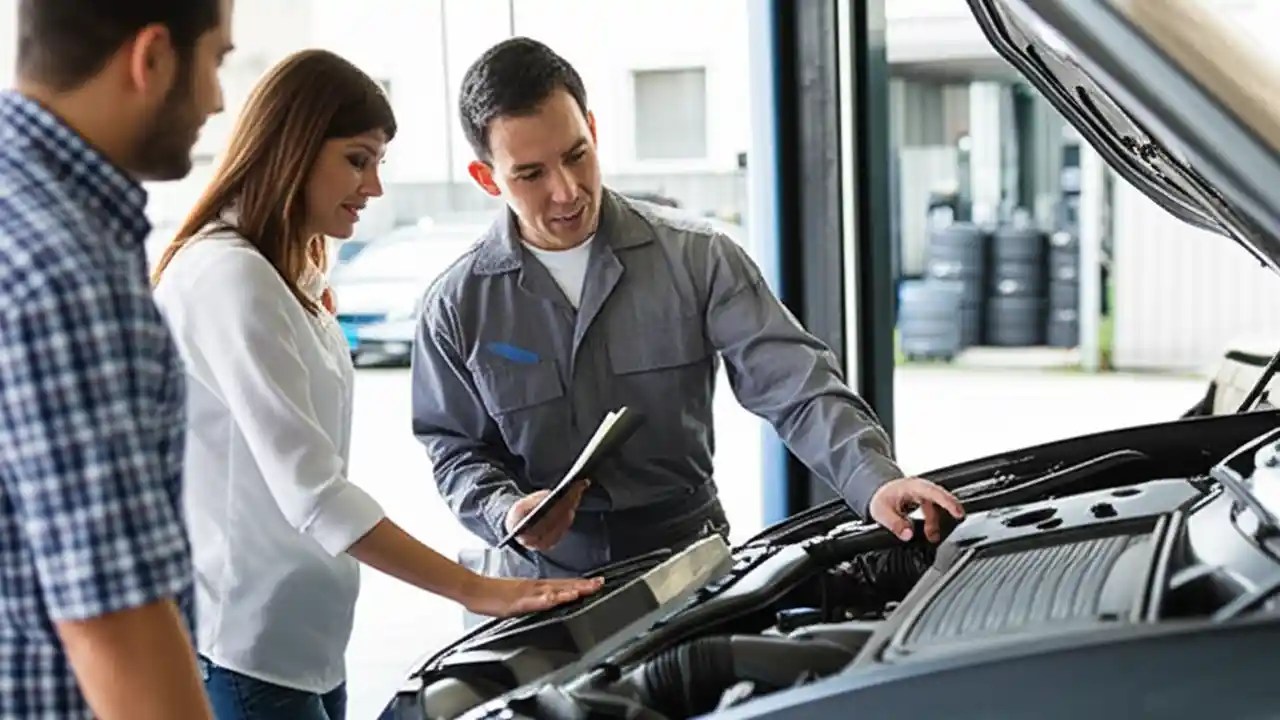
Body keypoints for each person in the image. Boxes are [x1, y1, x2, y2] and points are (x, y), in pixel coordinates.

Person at [411, 36, 966, 581]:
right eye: (531, 175)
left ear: (594, 131)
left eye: (577, 155)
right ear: (487, 178)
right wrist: (504, 511)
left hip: (687, 567)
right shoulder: (457, 306)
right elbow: (455, 449)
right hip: (536, 582)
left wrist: (874, 480)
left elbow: (797, 386)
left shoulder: (698, 258)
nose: (567, 191)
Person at [150, 49, 600, 720]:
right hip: (250, 646)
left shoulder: (289, 272)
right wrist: (481, 591)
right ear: (294, 149)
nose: (374, 188)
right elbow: (315, 493)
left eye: (378, 163)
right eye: (358, 160)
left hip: (306, 639)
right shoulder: (229, 277)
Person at [0, 1, 234, 718]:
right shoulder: (61, 270)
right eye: (216, 62)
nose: (218, 99)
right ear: (152, 58)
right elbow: (115, 623)